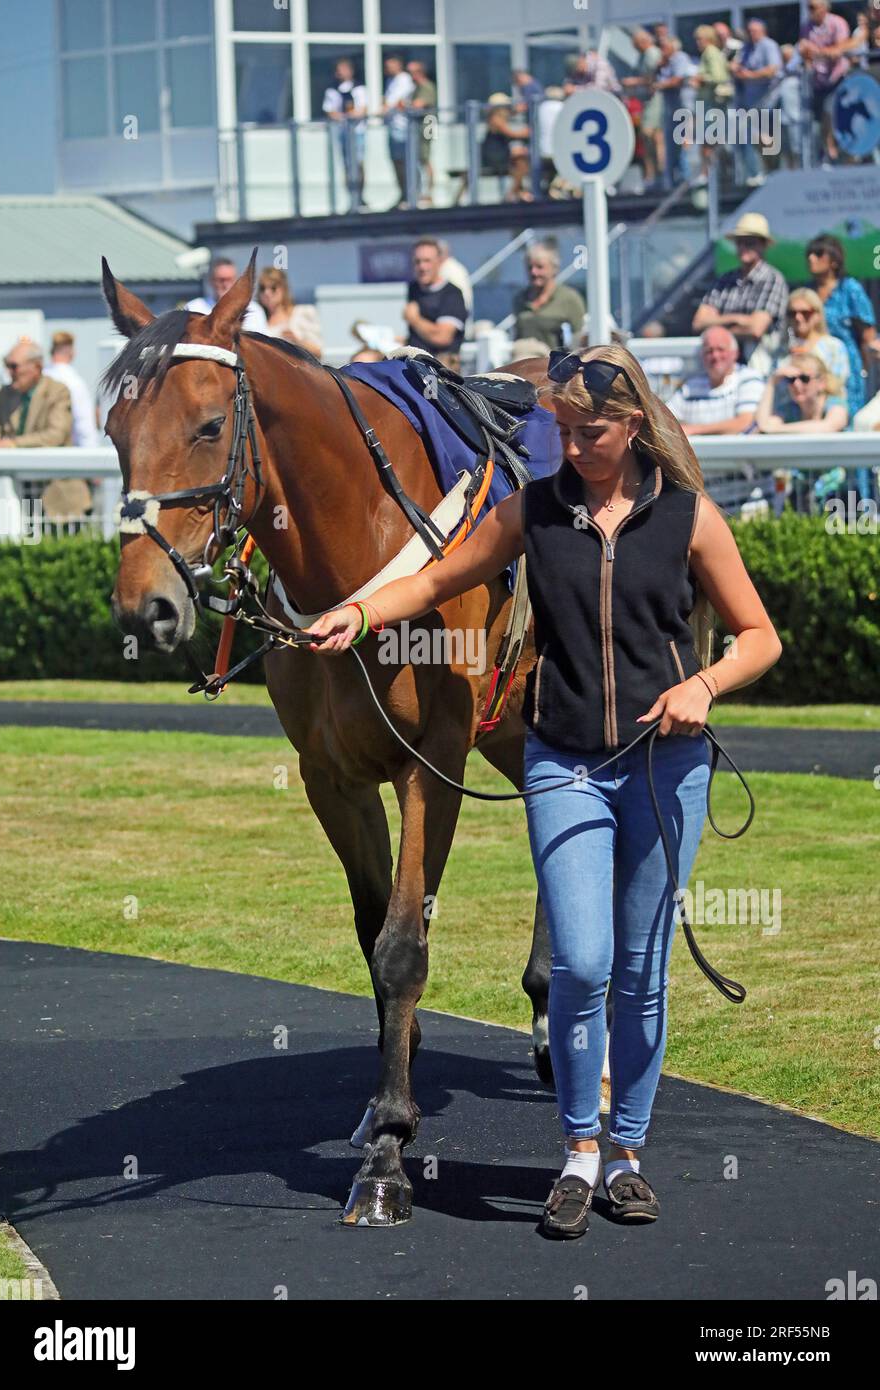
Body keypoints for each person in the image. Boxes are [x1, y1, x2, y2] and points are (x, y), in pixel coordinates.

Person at [304, 342, 783, 1235]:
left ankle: (627, 1150)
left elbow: (759, 636)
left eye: (589, 431)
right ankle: (577, 1153)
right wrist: (362, 611)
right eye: (561, 430)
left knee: (640, 974)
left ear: (633, 425)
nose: (571, 446)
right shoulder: (536, 510)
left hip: (662, 765)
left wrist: (703, 686)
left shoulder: (689, 518)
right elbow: (444, 577)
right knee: (583, 965)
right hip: (563, 764)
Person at [807, 232, 877, 495]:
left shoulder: (851, 289)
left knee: (853, 433)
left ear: (833, 260)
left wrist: (866, 372)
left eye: (818, 254)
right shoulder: (811, 292)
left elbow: (867, 335)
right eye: (810, 255)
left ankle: (865, 505)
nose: (811, 259)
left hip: (849, 375)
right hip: (816, 375)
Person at [692, 213, 788, 375]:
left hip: (759, 369)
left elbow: (756, 329)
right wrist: (737, 319)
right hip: (723, 370)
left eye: (750, 243)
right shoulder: (724, 280)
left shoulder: (773, 279)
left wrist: (717, 328)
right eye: (740, 242)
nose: (743, 247)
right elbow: (698, 323)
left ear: (763, 246)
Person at [666, 326, 765, 435]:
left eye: (721, 349)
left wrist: (692, 430)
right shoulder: (690, 386)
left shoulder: (748, 379)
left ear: (735, 353)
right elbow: (665, 418)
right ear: (702, 356)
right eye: (709, 351)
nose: (715, 356)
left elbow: (745, 423)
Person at [0, 340, 72, 449]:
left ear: (37, 367)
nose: (9, 372)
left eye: (14, 366)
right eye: (7, 365)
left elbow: (56, 435)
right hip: (11, 463)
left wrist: (11, 444)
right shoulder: (6, 393)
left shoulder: (58, 391)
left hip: (48, 463)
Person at [730, 18, 783, 185]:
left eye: (755, 31)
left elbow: (773, 69)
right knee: (752, 137)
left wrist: (751, 76)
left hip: (768, 100)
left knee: (768, 140)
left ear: (763, 31)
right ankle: (761, 172)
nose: (752, 34)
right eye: (750, 31)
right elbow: (738, 66)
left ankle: (774, 171)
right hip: (750, 103)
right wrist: (735, 68)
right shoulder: (746, 48)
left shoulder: (769, 45)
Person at [403, 237, 467, 370]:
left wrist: (414, 319)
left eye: (427, 261)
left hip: (441, 368)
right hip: (412, 363)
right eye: (417, 261)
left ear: (439, 262)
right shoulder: (413, 289)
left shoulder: (452, 294)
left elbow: (442, 337)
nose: (422, 267)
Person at [799, 1, 851, 163]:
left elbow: (838, 51)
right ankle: (828, 155)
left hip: (838, 78)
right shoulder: (807, 27)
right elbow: (804, 53)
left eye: (813, 7)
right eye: (808, 7)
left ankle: (839, 152)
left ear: (824, 8)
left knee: (831, 111)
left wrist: (815, 52)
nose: (810, 11)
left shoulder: (837, 23)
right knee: (818, 121)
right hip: (818, 82)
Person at [512, 242, 585, 351]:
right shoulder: (520, 299)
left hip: (554, 363)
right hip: (524, 361)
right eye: (529, 267)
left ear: (554, 269)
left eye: (539, 267)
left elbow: (580, 339)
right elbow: (517, 337)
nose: (534, 272)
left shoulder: (569, 299)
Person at [779, 288, 849, 397]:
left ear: (818, 315)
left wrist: (808, 366)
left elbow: (837, 385)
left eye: (805, 313)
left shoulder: (833, 346)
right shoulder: (781, 347)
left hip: (823, 407)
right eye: (792, 313)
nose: (798, 317)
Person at [755, 353, 848, 432]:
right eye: (791, 379)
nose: (796, 384)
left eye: (804, 379)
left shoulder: (835, 404)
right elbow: (764, 425)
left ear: (822, 383)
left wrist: (777, 429)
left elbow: (828, 427)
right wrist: (772, 382)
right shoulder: (791, 409)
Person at [322, 58, 368, 208]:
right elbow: (330, 111)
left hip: (357, 132)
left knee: (358, 163)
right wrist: (344, 117)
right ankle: (353, 198)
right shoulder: (332, 89)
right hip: (342, 132)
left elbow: (362, 110)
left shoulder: (359, 88)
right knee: (348, 166)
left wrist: (350, 116)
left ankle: (360, 196)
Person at [621, 28, 664, 188]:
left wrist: (634, 82)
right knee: (647, 138)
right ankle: (651, 174)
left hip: (655, 100)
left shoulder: (651, 54)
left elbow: (654, 78)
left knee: (651, 134)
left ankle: (658, 172)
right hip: (647, 101)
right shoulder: (642, 56)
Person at [44, 331, 100, 447]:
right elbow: (84, 425)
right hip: (65, 450)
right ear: (71, 352)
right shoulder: (75, 382)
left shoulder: (41, 377)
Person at [655, 35, 697, 186]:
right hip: (672, 110)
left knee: (686, 143)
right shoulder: (665, 64)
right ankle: (674, 180)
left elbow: (678, 79)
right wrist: (660, 67)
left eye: (664, 47)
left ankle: (688, 179)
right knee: (672, 147)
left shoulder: (680, 58)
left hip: (684, 108)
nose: (662, 50)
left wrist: (661, 85)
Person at [691, 26, 732, 180]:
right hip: (710, 104)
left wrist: (701, 79)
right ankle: (715, 173)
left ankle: (708, 173)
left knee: (709, 141)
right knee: (712, 141)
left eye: (699, 39)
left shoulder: (710, 53)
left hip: (712, 104)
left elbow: (719, 77)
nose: (697, 43)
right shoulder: (710, 53)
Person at [256, 267, 323, 358]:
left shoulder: (302, 313)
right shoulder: (257, 320)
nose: (267, 293)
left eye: (273, 288)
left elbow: (318, 352)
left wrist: (297, 341)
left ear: (283, 289)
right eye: (262, 288)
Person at [187, 257, 267, 333]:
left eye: (229, 280)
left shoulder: (254, 310)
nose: (225, 285)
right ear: (211, 281)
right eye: (221, 280)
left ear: (237, 281)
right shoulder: (193, 309)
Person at [481, 93, 531, 202]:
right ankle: (513, 193)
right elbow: (510, 133)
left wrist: (518, 110)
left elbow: (509, 114)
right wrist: (528, 132)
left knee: (520, 161)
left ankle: (519, 191)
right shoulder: (495, 119)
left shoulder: (499, 117)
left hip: (501, 153)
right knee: (521, 161)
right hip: (494, 155)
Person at [381, 55, 415, 208]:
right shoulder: (392, 81)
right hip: (397, 127)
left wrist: (384, 109)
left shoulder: (406, 80)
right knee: (398, 162)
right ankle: (405, 194)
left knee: (422, 159)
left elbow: (394, 102)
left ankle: (418, 194)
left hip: (426, 126)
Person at [407, 60, 437, 206]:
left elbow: (417, 105)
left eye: (412, 73)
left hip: (427, 126)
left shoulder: (426, 87)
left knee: (425, 159)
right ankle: (423, 192)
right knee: (421, 160)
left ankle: (429, 193)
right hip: (421, 126)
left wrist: (404, 105)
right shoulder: (417, 88)